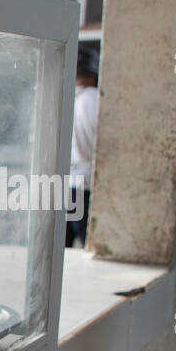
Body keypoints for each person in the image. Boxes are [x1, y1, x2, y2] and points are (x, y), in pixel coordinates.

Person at [67, 48, 100, 248]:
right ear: (93, 75)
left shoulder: (63, 97)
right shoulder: (96, 99)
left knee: (61, 249)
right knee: (87, 247)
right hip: (86, 185)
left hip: (63, 184)